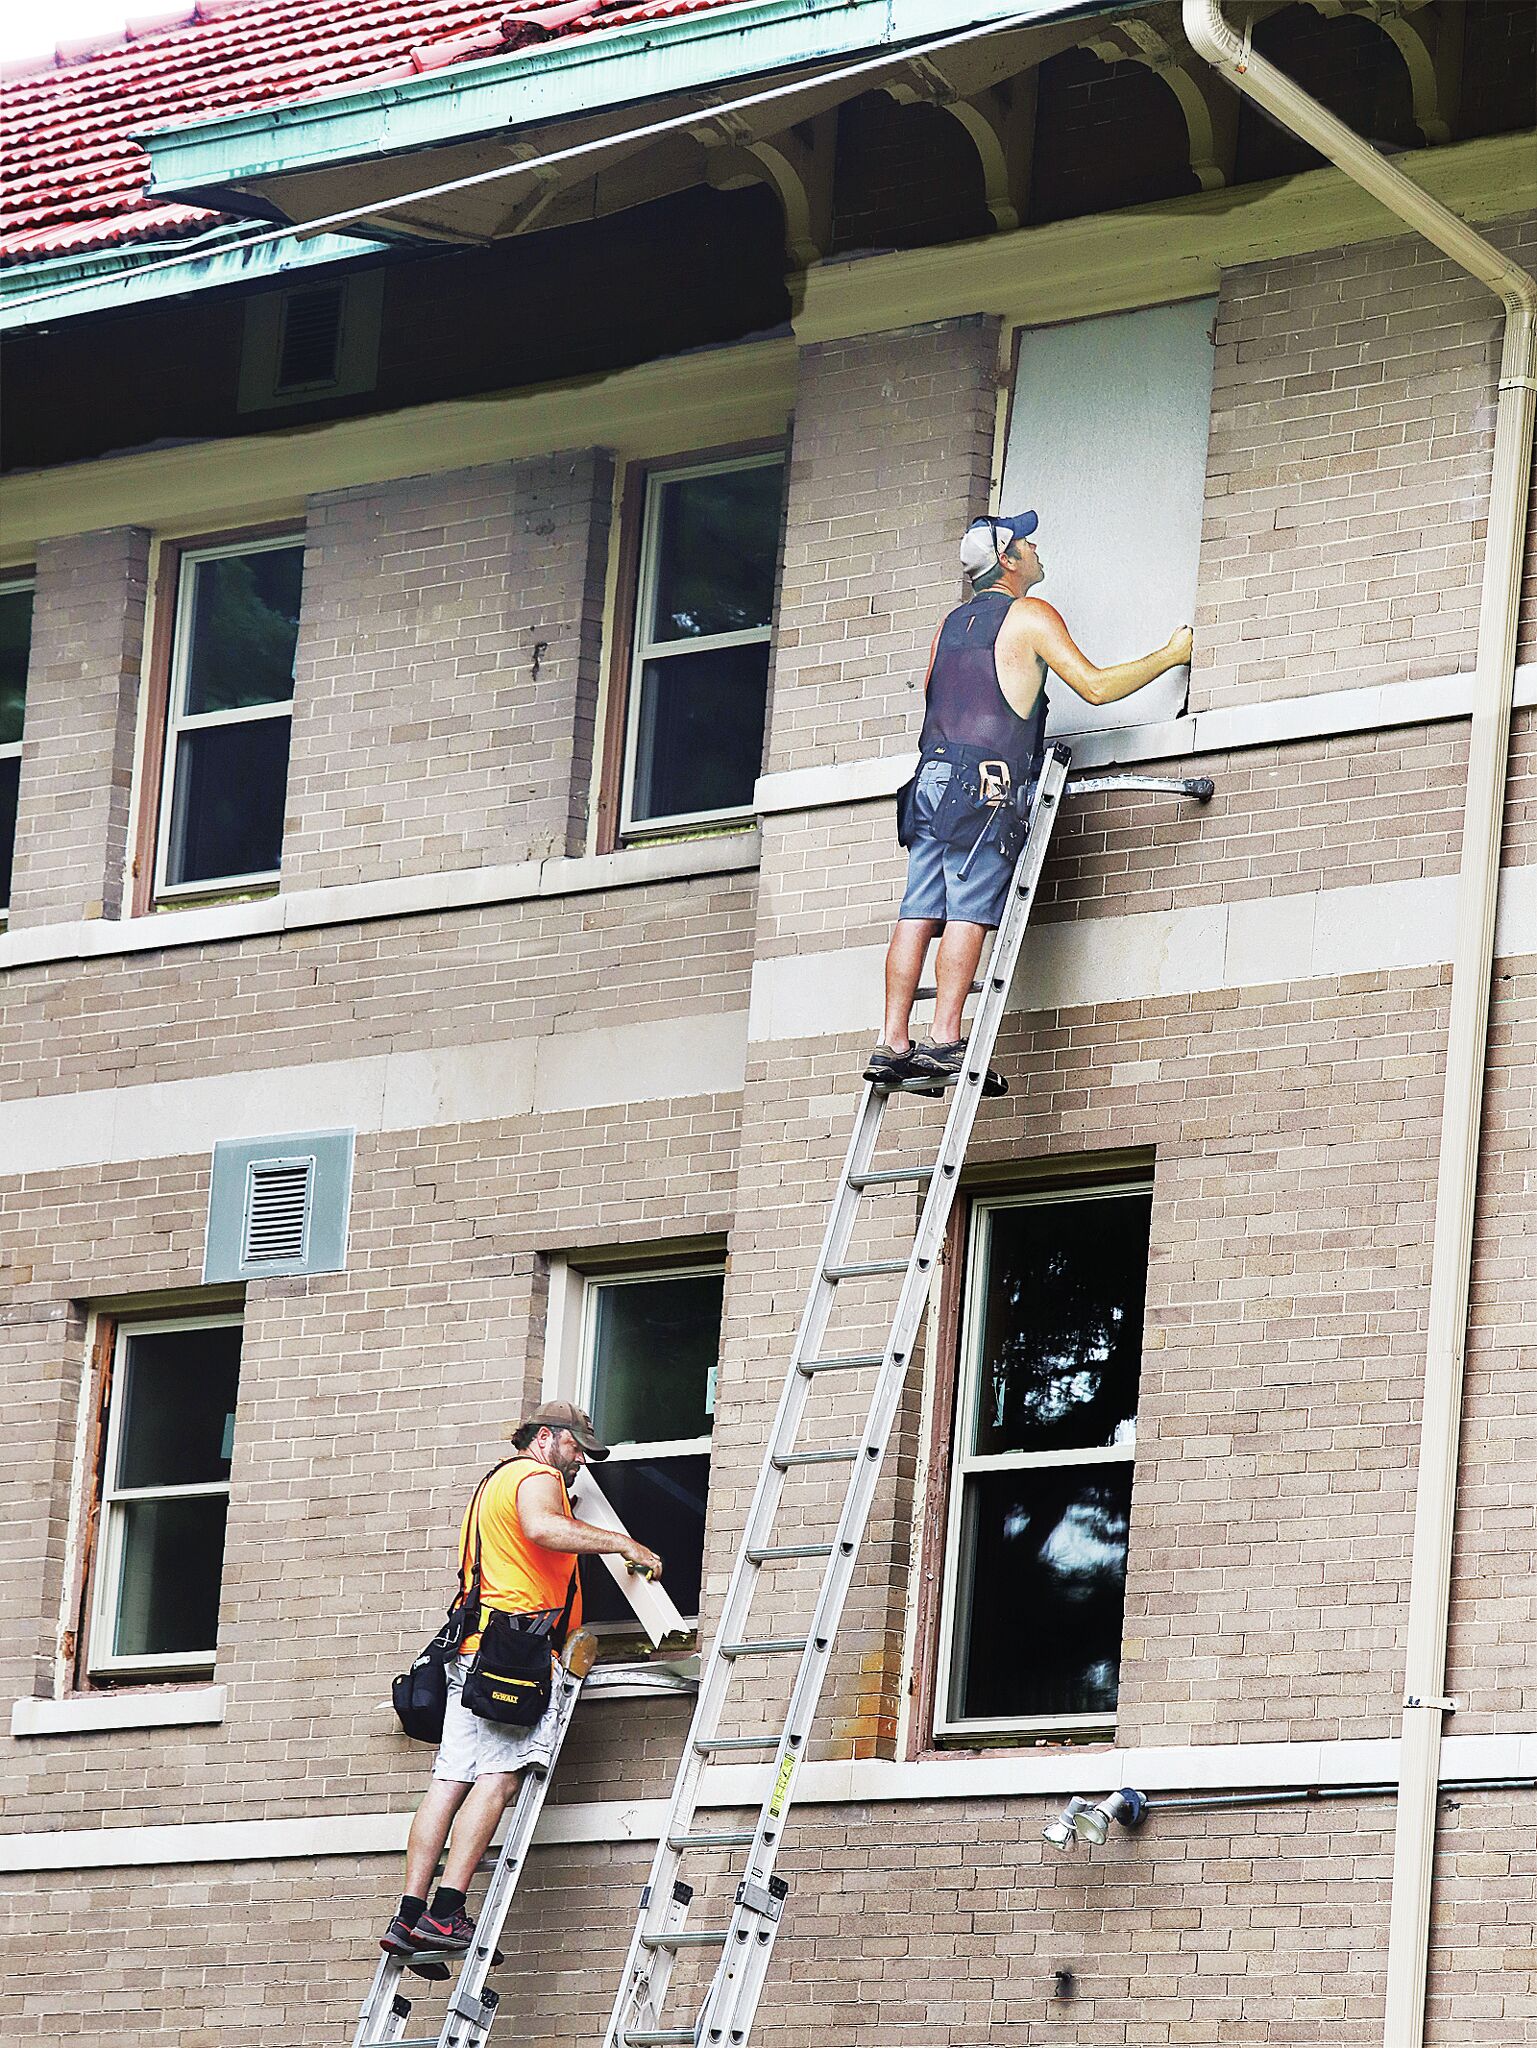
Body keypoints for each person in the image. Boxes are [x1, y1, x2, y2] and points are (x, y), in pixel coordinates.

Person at [866, 512, 1194, 1085]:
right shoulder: (1030, 615)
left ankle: (892, 1042)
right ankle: (945, 1039)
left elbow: (937, 697)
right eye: (1025, 540)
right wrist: (1171, 656)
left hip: (930, 779)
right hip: (984, 783)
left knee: (917, 912)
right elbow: (1095, 688)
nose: (1035, 545)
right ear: (1008, 560)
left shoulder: (950, 625)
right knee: (968, 911)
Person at [379, 1401, 663, 1963]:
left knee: (449, 1781)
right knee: (499, 1779)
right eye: (576, 1446)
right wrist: (622, 1543)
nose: (581, 1459)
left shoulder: (494, 1484)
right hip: (515, 1651)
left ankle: (408, 1914)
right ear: (545, 1437)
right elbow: (542, 1528)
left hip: (473, 1647)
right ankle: (445, 1913)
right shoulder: (536, 1477)